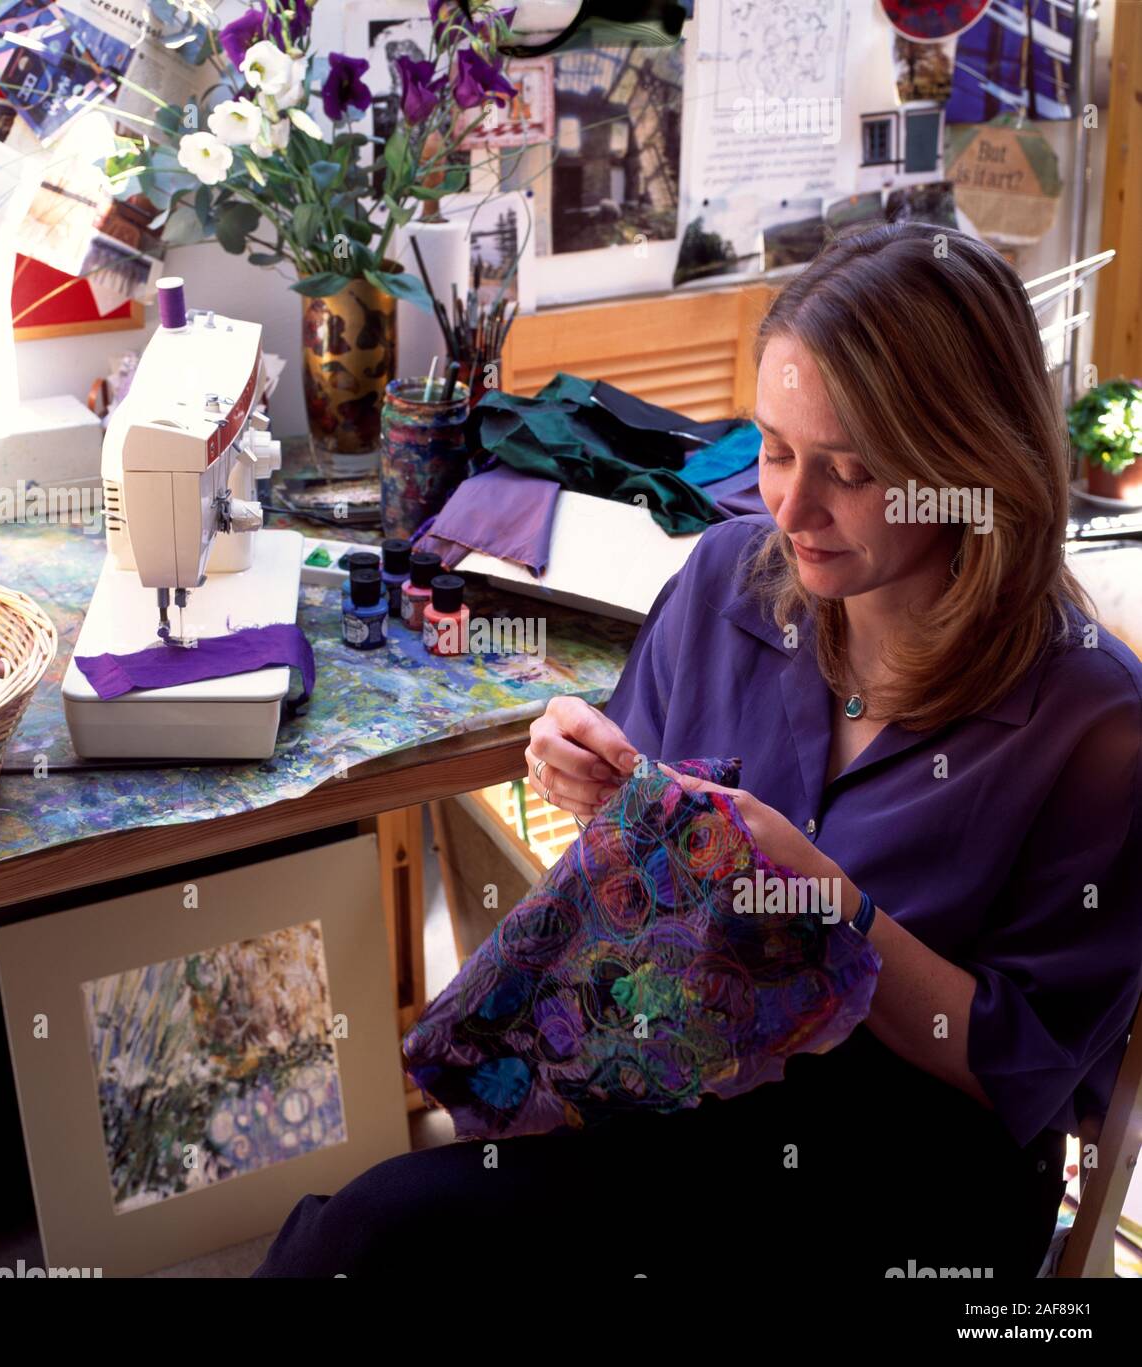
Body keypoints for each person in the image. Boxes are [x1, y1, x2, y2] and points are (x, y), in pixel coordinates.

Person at [254, 221, 1142, 1279]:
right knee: (353, 1241)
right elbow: (648, 853)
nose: (791, 506)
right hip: (682, 1083)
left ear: (967, 466)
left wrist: (829, 902)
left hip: (906, 1174)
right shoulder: (730, 578)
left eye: (849, 471)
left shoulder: (1094, 726)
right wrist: (597, 782)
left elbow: (1019, 1076)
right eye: (773, 448)